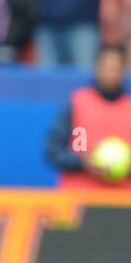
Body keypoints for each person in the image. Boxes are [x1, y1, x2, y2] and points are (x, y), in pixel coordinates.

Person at [45, 43, 131, 188]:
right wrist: (83, 162)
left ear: (123, 70)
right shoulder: (77, 103)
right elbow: (53, 151)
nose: (110, 73)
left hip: (123, 203)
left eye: (115, 68)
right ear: (96, 68)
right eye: (106, 67)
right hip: (81, 198)